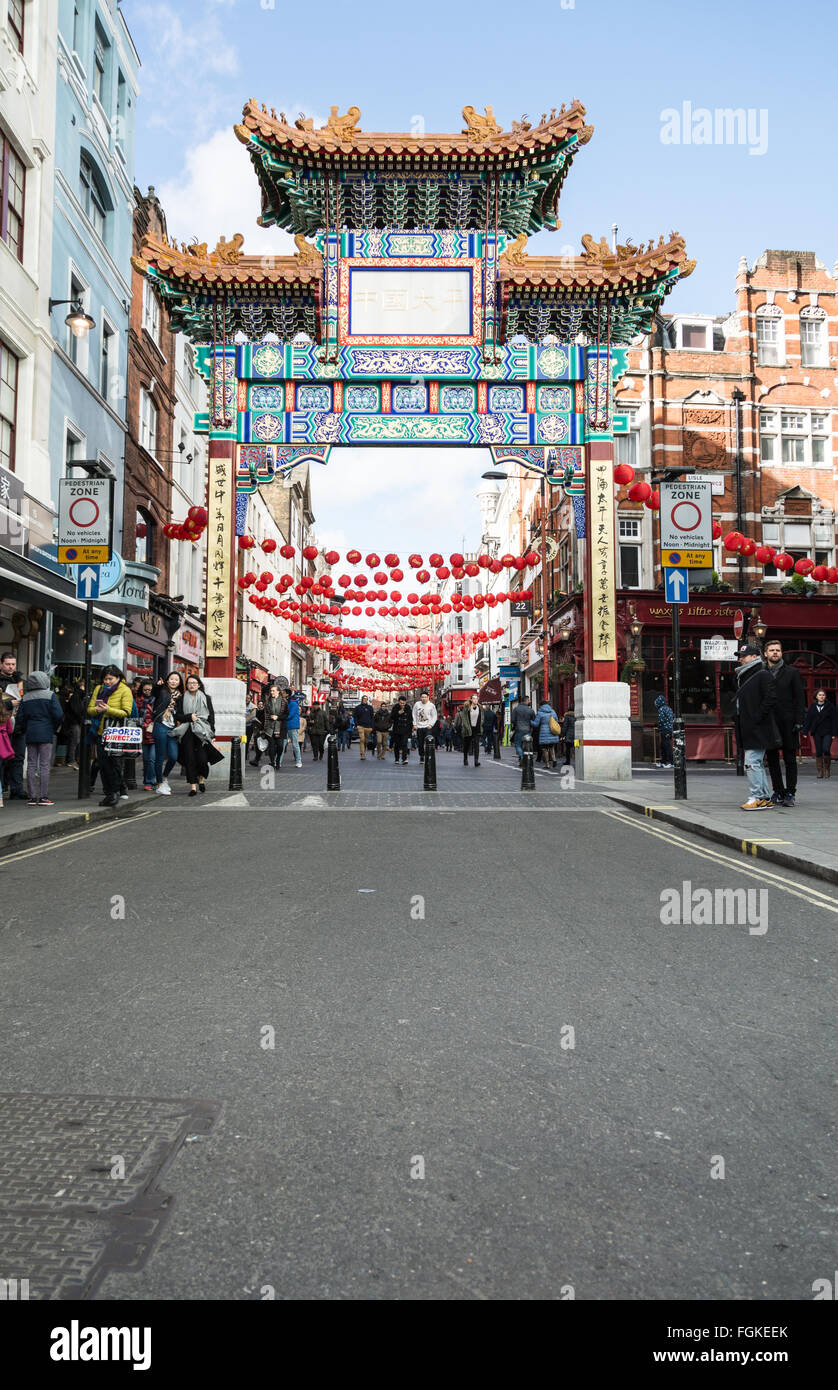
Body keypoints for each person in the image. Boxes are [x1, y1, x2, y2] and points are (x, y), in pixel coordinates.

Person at [734, 642, 780, 810]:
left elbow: (771, 699)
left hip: (758, 727)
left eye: (744, 656)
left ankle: (757, 797)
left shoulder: (762, 674)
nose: (741, 659)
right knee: (756, 763)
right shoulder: (743, 676)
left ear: (754, 657)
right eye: (740, 656)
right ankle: (765, 797)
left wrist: (756, 718)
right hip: (749, 727)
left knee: (751, 762)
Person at [762, 639, 805, 807]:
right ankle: (778, 791)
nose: (775, 653)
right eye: (771, 650)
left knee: (790, 759)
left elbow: (800, 699)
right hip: (769, 722)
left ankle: (790, 793)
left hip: (788, 722)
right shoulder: (761, 672)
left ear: (781, 653)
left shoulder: (792, 672)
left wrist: (799, 721)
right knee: (772, 759)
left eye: (777, 650)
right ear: (765, 654)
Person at [14, 672, 63, 806]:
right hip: (46, 732)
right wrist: (53, 726)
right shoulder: (50, 695)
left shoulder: (26, 697)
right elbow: (58, 714)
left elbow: (20, 718)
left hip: (31, 733)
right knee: (44, 765)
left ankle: (32, 797)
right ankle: (43, 797)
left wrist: (27, 727)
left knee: (31, 764)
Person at [88, 665, 134, 808]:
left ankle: (114, 793)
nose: (107, 682)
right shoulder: (99, 689)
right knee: (103, 765)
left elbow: (127, 712)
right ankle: (110, 793)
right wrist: (96, 709)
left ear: (118, 678)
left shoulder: (125, 690)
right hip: (101, 732)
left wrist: (108, 709)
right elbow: (90, 709)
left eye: (110, 679)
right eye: (105, 679)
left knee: (115, 764)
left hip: (117, 733)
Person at [176, 675, 219, 795]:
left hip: (202, 731)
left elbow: (211, 717)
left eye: (194, 683)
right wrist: (188, 717)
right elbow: (178, 716)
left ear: (199, 685)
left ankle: (201, 779)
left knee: (202, 759)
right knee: (190, 758)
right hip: (187, 731)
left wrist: (212, 735)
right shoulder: (182, 698)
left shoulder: (206, 698)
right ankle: (193, 786)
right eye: (189, 683)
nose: (192, 685)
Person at [152, 671, 185, 795]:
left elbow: (181, 713)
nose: (173, 681)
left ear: (179, 682)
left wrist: (174, 710)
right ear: (167, 680)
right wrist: (157, 685)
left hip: (172, 728)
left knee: (173, 756)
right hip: (160, 725)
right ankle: (159, 784)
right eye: (171, 679)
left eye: (176, 679)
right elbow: (154, 693)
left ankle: (164, 777)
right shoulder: (162, 691)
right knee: (160, 756)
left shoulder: (180, 696)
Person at [1, 651, 25, 800]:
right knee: (3, 758)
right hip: (3, 725)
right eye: (8, 664)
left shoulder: (20, 681)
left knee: (18, 757)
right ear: (1, 664)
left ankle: (17, 790)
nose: (11, 667)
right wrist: (9, 703)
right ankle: (2, 788)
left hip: (19, 724)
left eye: (13, 664)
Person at [802, 688, 836, 779]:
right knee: (819, 751)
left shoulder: (830, 706)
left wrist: (834, 733)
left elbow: (834, 720)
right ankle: (820, 771)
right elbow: (808, 720)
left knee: (826, 749)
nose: (822, 697)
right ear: (816, 696)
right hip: (816, 732)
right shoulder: (812, 706)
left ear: (825, 697)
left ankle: (827, 769)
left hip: (828, 731)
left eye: (823, 695)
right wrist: (805, 731)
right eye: (820, 695)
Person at [135, 679, 157, 789]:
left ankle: (149, 781)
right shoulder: (138, 700)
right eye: (145, 690)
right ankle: (147, 780)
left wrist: (153, 725)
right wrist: (144, 725)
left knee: (152, 759)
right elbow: (135, 716)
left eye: (150, 690)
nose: (147, 691)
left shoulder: (157, 700)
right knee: (146, 759)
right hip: (143, 733)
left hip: (154, 733)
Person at [263, 683, 288, 767]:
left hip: (280, 727)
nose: (272, 692)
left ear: (278, 691)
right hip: (270, 727)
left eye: (273, 691)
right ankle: (272, 762)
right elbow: (265, 715)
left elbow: (286, 715)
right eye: (271, 691)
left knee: (280, 746)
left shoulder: (284, 702)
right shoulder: (267, 702)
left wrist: (277, 717)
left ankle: (278, 760)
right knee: (271, 746)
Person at [531, 697, 560, 768]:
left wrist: (530, 721)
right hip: (552, 731)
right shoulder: (553, 711)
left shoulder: (540, 713)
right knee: (551, 747)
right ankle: (554, 759)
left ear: (540, 705)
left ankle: (547, 764)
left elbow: (536, 724)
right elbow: (556, 720)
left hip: (544, 733)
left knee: (545, 749)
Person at [457, 693, 483, 767]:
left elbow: (482, 718)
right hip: (468, 729)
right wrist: (467, 727)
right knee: (467, 745)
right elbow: (464, 718)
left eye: (477, 698)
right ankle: (465, 759)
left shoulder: (480, 708)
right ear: (471, 700)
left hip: (476, 729)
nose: (476, 700)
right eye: (474, 698)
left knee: (476, 745)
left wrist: (481, 725)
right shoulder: (467, 708)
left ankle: (476, 761)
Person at [412, 690, 437, 762]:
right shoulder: (417, 704)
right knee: (420, 743)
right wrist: (414, 724)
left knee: (428, 742)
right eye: (422, 697)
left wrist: (431, 724)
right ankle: (421, 756)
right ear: (420, 698)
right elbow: (414, 714)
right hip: (419, 727)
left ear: (428, 697)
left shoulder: (431, 705)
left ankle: (428, 756)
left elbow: (434, 716)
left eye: (425, 697)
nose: (424, 698)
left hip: (427, 727)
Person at [509, 696, 535, 765]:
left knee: (518, 745)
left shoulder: (516, 709)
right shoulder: (530, 710)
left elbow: (513, 720)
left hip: (518, 730)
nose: (530, 701)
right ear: (526, 701)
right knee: (527, 745)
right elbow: (533, 720)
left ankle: (521, 756)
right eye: (529, 700)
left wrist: (514, 727)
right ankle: (525, 758)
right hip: (527, 730)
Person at [282, 690, 303, 768]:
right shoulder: (288, 702)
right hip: (287, 725)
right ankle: (278, 762)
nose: (282, 694)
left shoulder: (293, 703)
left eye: (283, 693)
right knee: (283, 745)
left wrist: (282, 718)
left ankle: (298, 761)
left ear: (287, 694)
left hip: (292, 725)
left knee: (295, 744)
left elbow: (290, 715)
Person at [654, 694, 674, 768]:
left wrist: (659, 727)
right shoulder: (669, 708)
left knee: (666, 746)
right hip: (669, 729)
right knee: (664, 746)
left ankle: (671, 762)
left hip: (665, 730)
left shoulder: (661, 709)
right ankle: (663, 762)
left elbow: (661, 720)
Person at [391, 696, 413, 764]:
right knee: (397, 744)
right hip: (397, 729)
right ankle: (396, 759)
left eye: (403, 703)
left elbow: (410, 719)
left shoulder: (408, 708)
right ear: (398, 702)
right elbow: (391, 717)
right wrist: (398, 713)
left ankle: (404, 759)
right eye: (401, 703)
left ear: (405, 702)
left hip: (405, 729)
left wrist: (410, 728)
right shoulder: (395, 707)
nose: (402, 704)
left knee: (404, 744)